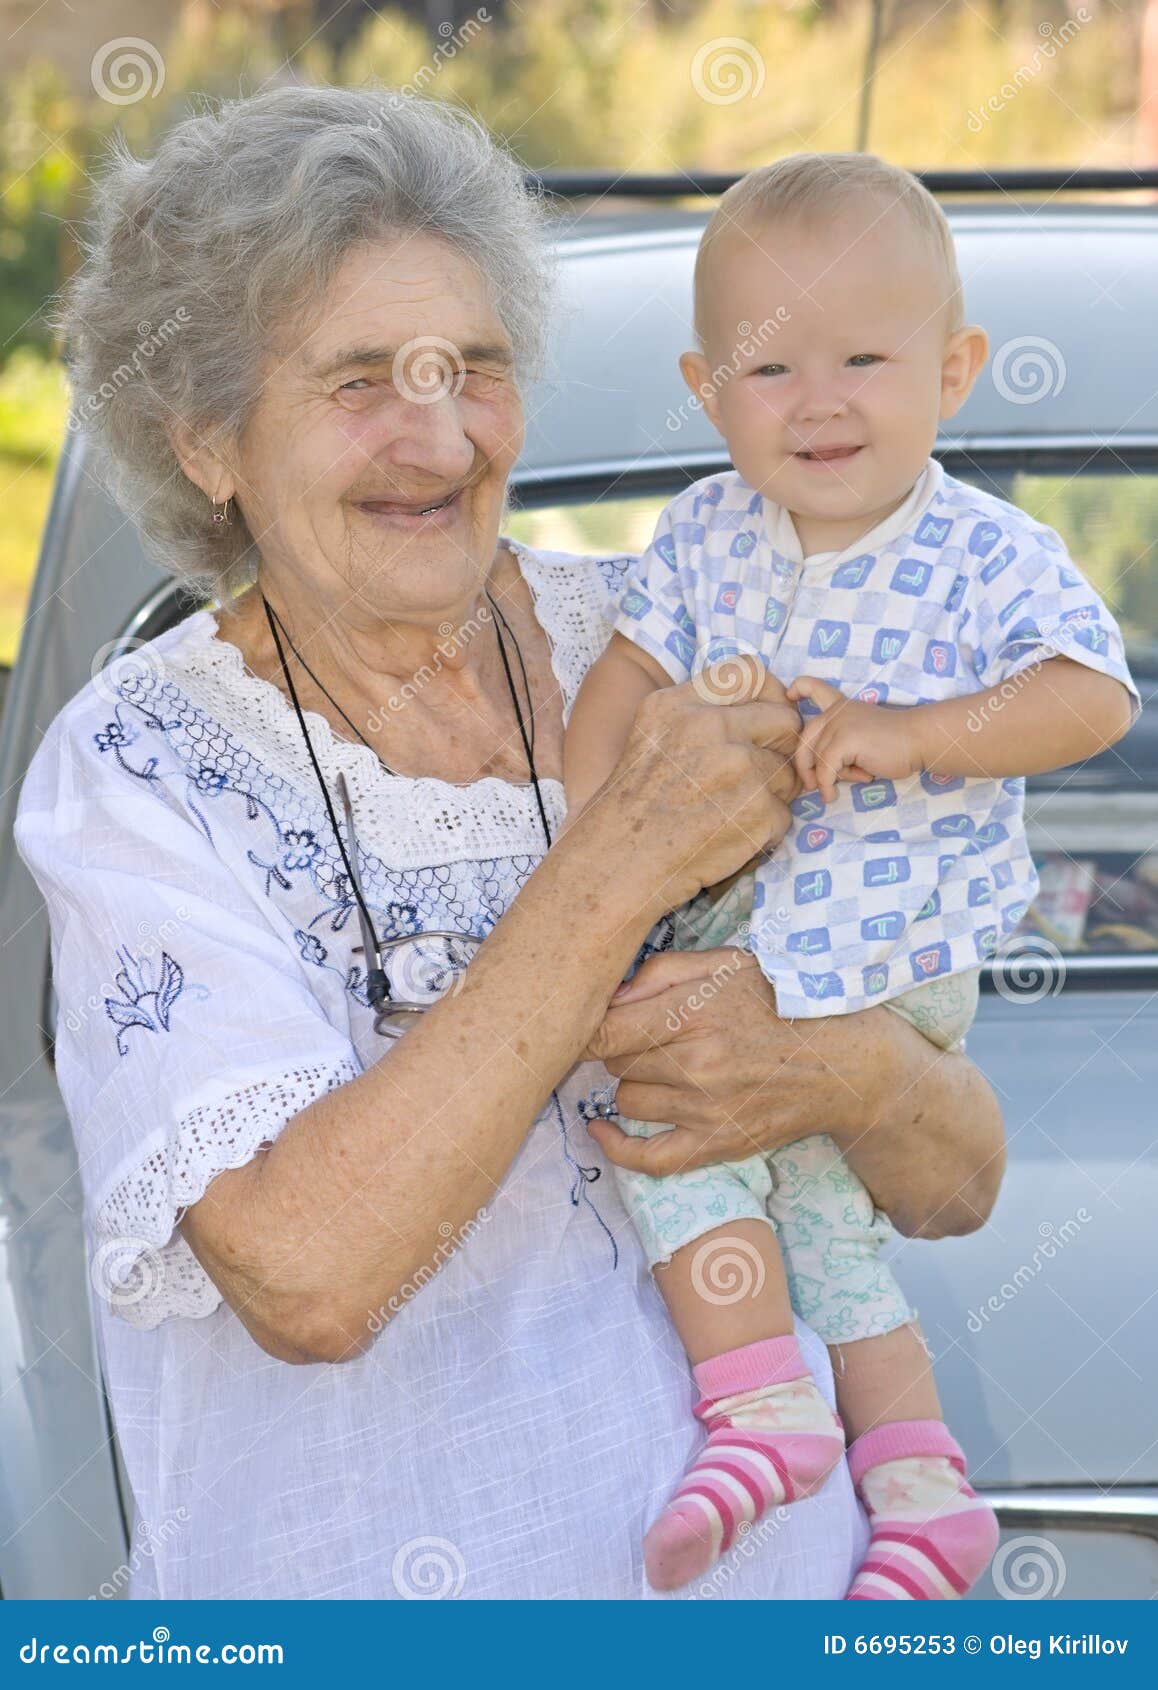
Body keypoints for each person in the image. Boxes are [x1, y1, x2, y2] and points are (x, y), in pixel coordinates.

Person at [15, 95, 1006, 1600]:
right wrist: (614, 865)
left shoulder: (674, 644)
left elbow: (954, 1174)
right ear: (207, 437)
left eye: (470, 367)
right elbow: (307, 1271)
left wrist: (847, 1070)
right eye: (359, 382)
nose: (439, 435)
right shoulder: (140, 770)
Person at [565, 152, 1139, 1598]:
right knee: (826, 1233)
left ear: (951, 371)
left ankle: (757, 1407)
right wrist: (594, 818)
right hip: (757, 934)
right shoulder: (700, 535)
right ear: (706, 392)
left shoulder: (982, 551)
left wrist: (913, 734)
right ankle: (920, 1486)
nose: (817, 400)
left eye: (865, 358)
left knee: (676, 1128)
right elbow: (624, 679)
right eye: (768, 368)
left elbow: (1090, 697)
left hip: (902, 949)